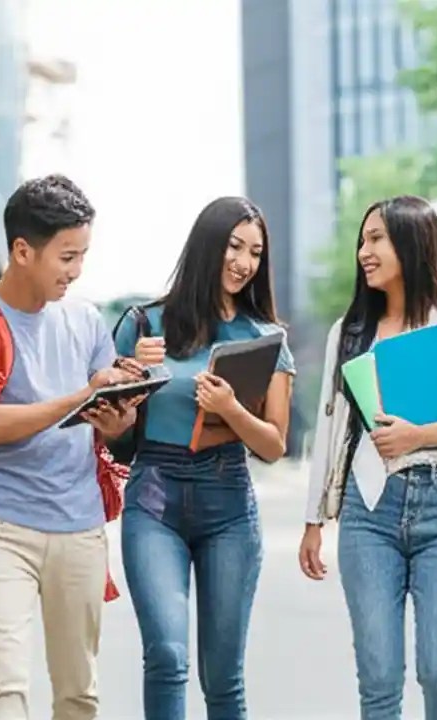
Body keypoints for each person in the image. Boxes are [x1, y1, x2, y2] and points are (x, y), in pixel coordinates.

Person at [300, 195, 437, 720]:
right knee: (378, 681)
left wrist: (422, 435)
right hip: (367, 512)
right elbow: (330, 429)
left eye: (377, 238)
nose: (363, 251)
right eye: (363, 239)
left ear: (414, 243)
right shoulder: (349, 332)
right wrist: (313, 520)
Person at [0, 174, 141, 720]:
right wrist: (79, 396)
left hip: (79, 526)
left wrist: (118, 415)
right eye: (67, 256)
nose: (76, 271)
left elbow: (105, 423)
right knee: (4, 687)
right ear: (22, 251)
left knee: (79, 694)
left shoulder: (85, 319)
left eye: (83, 256)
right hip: (2, 526)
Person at [112, 196, 295, 720]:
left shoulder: (265, 338)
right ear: (207, 245)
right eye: (235, 246)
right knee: (167, 655)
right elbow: (104, 424)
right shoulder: (142, 323)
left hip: (229, 503)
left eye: (255, 253)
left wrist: (231, 408)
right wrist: (128, 378)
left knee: (223, 678)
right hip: (154, 495)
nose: (244, 262)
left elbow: (273, 445)